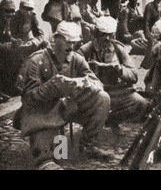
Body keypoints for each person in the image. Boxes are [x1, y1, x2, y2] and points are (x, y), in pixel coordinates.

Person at [15, 21, 112, 170]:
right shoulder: (37, 60)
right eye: (67, 41)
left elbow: (97, 83)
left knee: (103, 98)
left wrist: (80, 82)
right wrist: (52, 86)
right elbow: (28, 99)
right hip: (42, 112)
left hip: (67, 108)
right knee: (50, 156)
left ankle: (88, 145)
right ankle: (45, 160)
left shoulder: (76, 58)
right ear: (56, 39)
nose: (71, 46)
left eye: (74, 42)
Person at [78, 16, 150, 135]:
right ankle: (91, 130)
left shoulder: (118, 49)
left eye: (110, 35)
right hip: (94, 93)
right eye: (103, 35)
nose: (107, 38)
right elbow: (75, 73)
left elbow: (133, 75)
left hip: (116, 91)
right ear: (96, 34)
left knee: (140, 103)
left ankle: (112, 120)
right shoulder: (85, 50)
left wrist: (119, 70)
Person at [0, 0, 49, 97]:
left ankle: (44, 75)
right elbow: (7, 38)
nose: (28, 11)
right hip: (12, 47)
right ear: (20, 8)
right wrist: (12, 44)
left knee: (46, 44)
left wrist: (33, 42)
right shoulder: (11, 19)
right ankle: (9, 86)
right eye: (26, 8)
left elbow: (40, 34)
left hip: (23, 45)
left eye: (30, 9)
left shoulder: (32, 17)